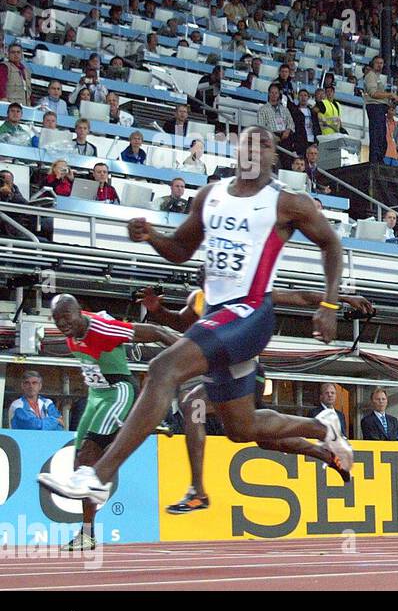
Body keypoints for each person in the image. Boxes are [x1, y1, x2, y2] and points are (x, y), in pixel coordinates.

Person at [38, 127, 354, 505]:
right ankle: (325, 428)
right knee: (242, 427)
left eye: (265, 143)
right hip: (220, 316)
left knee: (162, 369)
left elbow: (331, 244)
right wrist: (151, 235)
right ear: (236, 151)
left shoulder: (288, 202)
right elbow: (180, 250)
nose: (255, 148)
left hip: (252, 312)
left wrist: (330, 304)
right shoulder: (211, 196)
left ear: (274, 157)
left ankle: (99, 476)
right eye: (248, 141)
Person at [137, 281, 371, 513]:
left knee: (193, 404)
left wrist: (341, 298)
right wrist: (157, 310)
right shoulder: (198, 299)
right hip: (220, 375)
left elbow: (299, 296)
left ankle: (198, 490)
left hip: (245, 371)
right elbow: (180, 322)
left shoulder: (244, 291)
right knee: (261, 437)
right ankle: (324, 450)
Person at [49, 294, 178, 550]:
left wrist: (194, 356)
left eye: (67, 317)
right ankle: (87, 534)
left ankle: (140, 421)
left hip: (119, 391)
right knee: (80, 468)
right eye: (57, 319)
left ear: (80, 313)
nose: (63, 324)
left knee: (89, 457)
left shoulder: (103, 327)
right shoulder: (72, 333)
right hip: (96, 397)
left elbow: (156, 331)